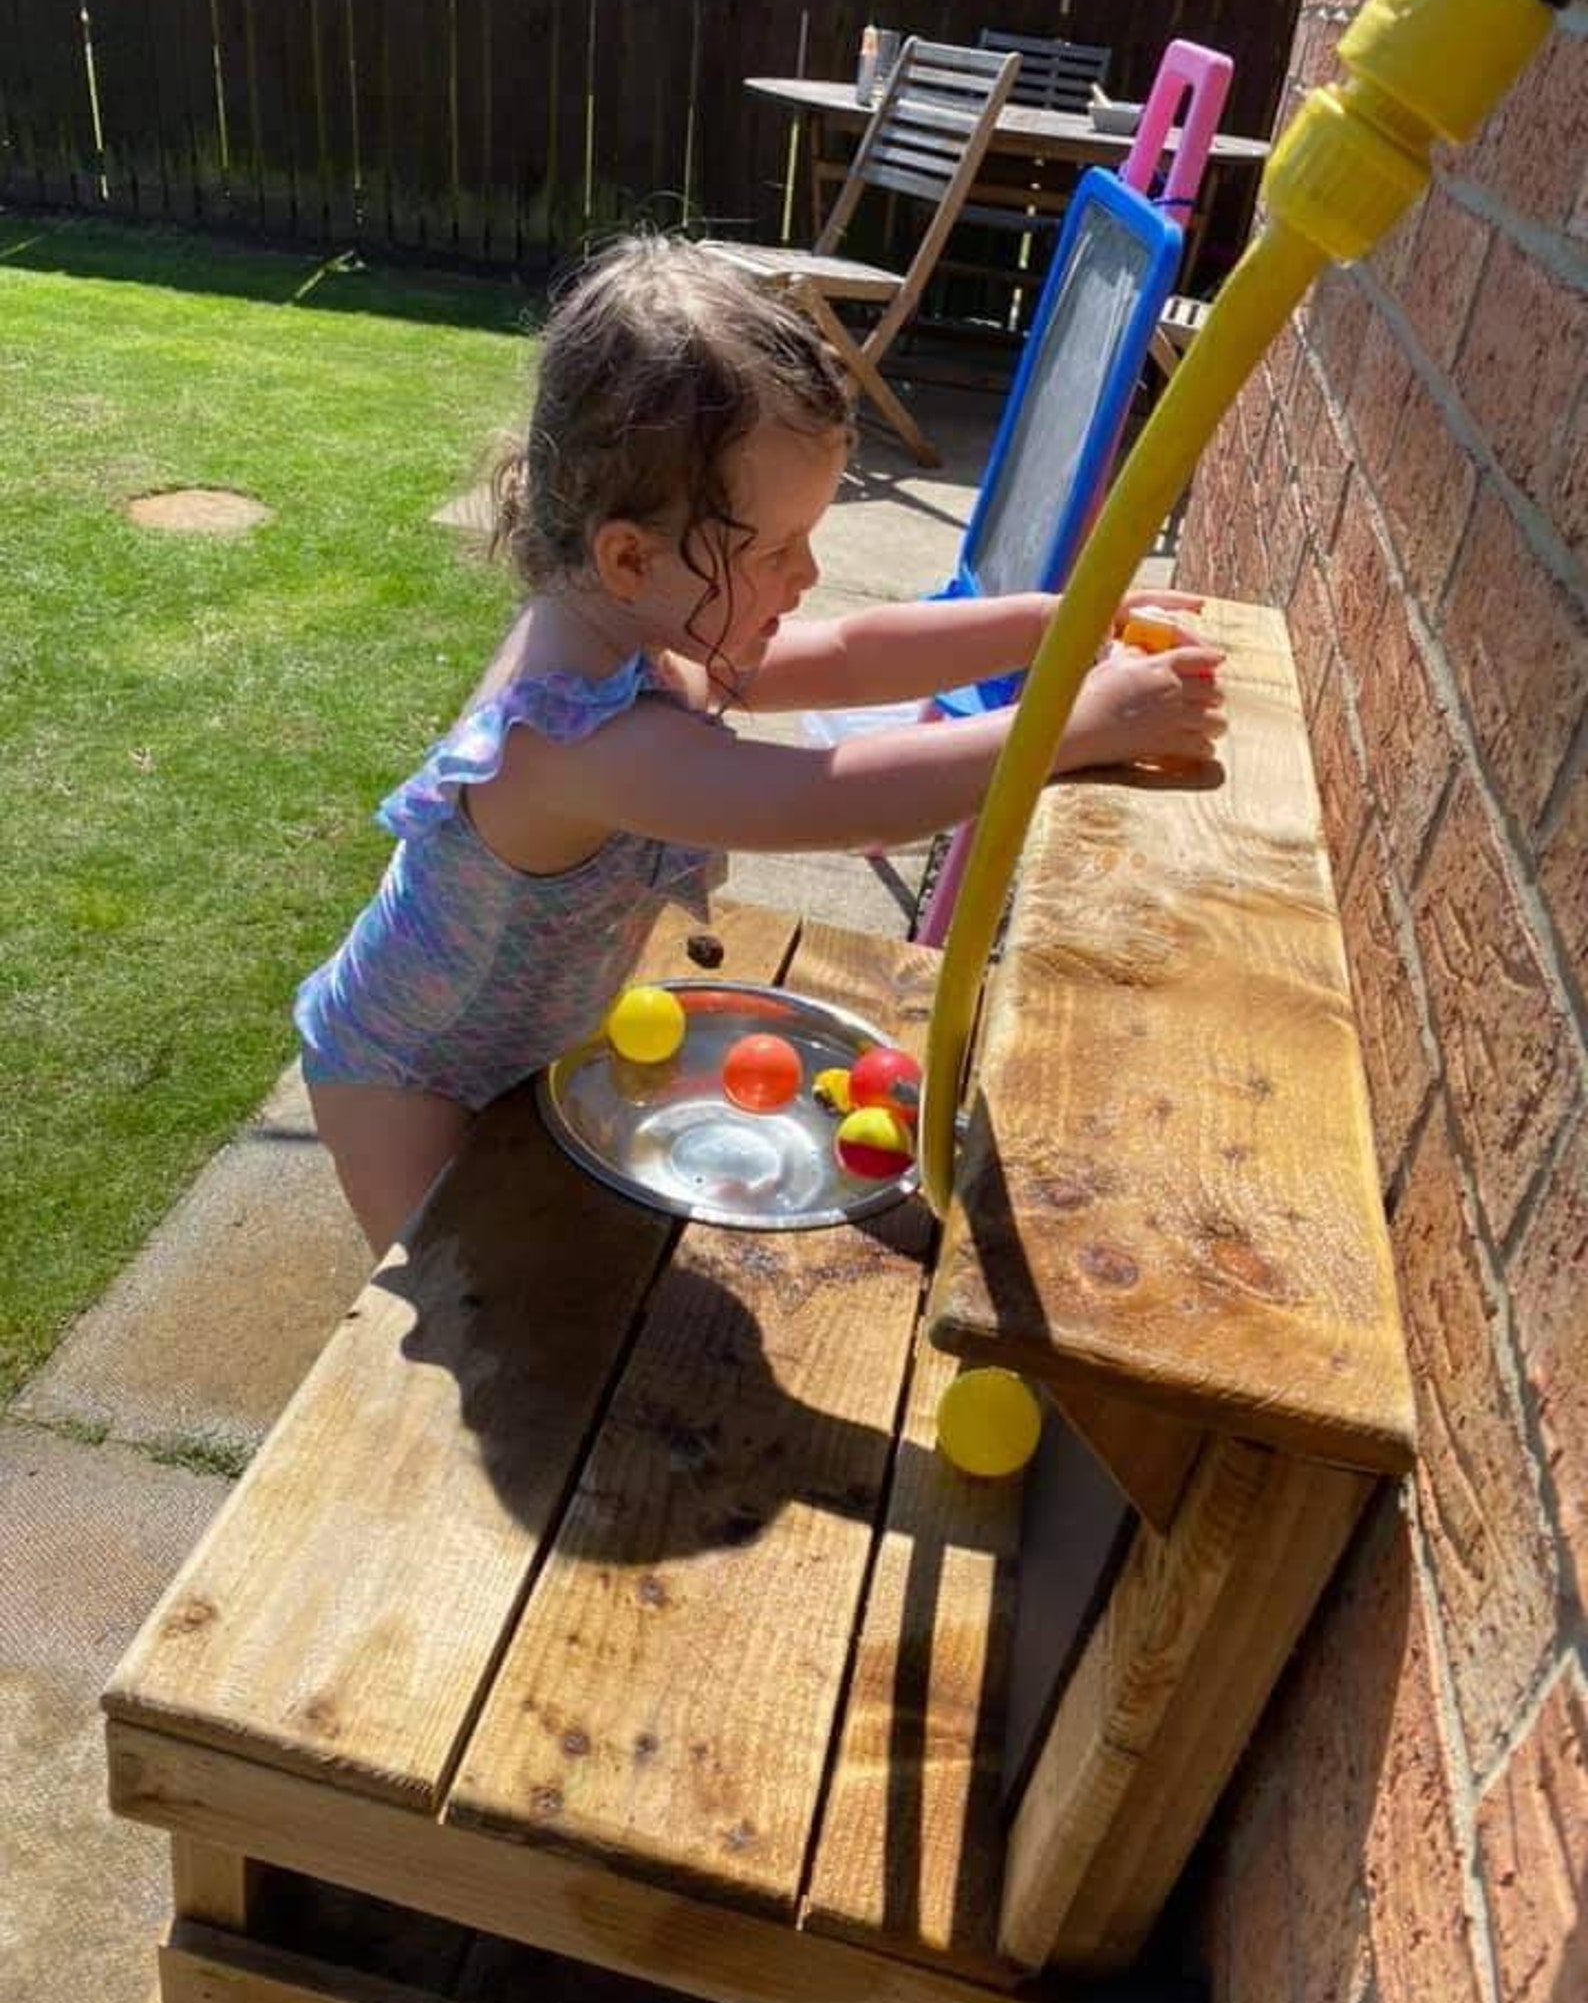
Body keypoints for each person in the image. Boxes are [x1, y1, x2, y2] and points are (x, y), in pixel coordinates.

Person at [296, 234, 1224, 1253]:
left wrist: (1059, 619)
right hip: (405, 1074)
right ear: (628, 555)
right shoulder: (579, 743)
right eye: (778, 548)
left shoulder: (643, 625)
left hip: (525, 1033)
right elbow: (833, 800)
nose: (808, 575)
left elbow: (854, 654)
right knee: (469, 1295)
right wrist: (1077, 724)